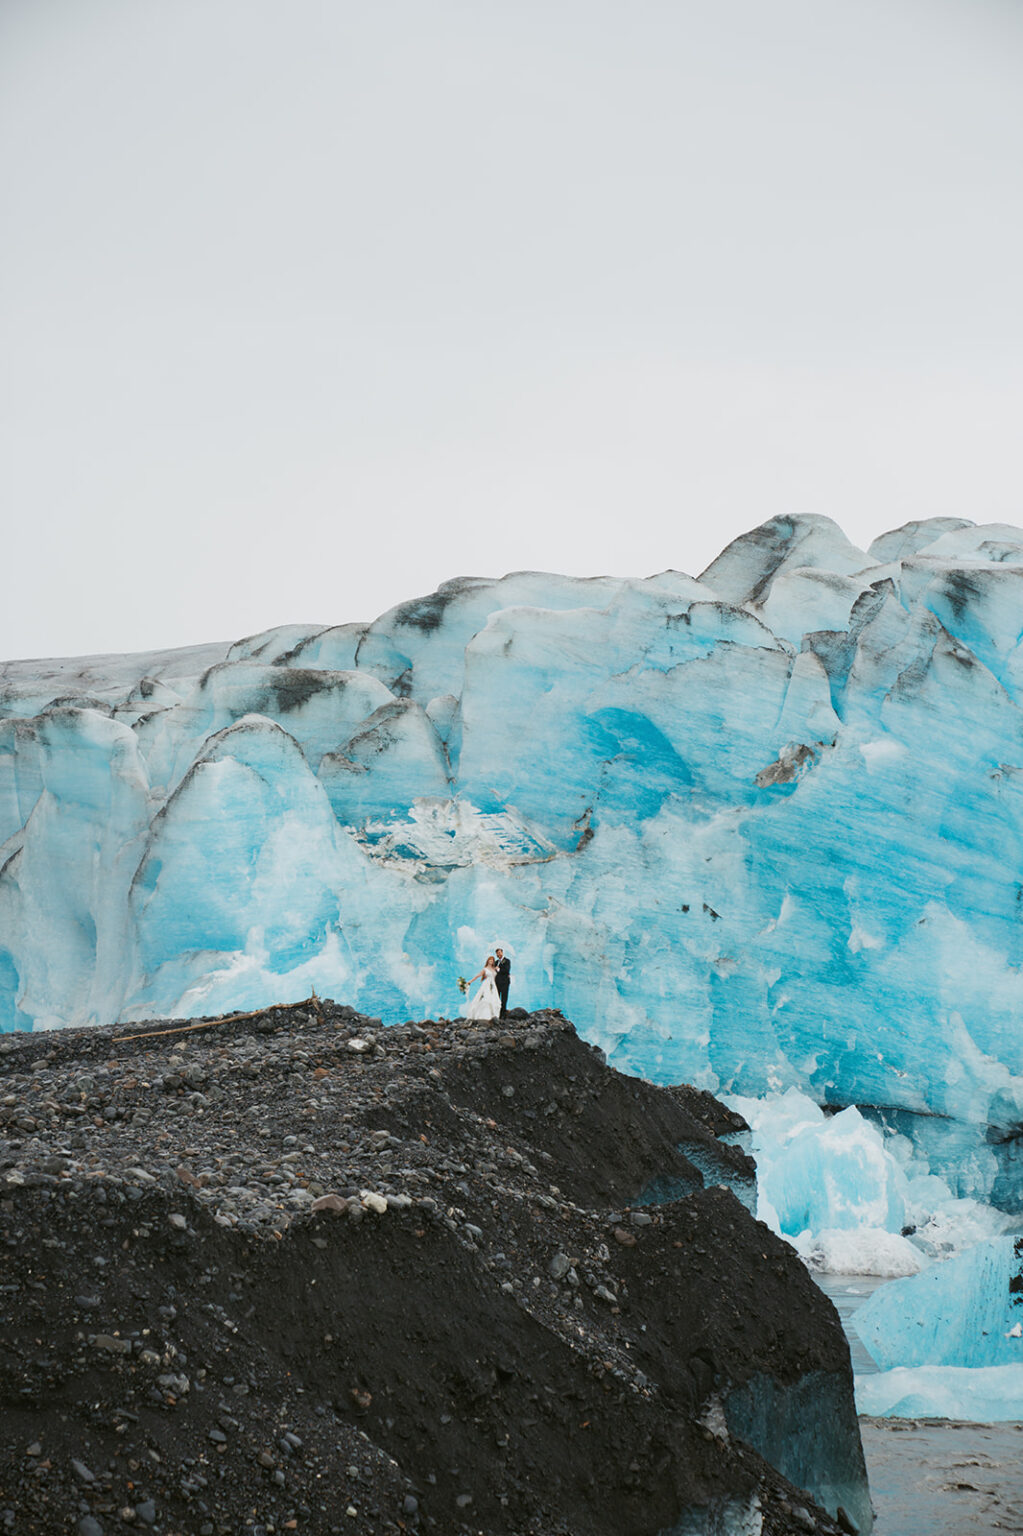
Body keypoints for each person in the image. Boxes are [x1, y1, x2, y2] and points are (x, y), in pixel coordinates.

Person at [464, 955, 501, 1022]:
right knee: (486, 999)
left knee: (494, 999)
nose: (491, 961)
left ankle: (493, 1016)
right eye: (490, 960)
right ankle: (484, 1015)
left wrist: (498, 969)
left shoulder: (494, 969)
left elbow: (498, 976)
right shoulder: (485, 969)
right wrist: (470, 981)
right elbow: (478, 976)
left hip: (493, 985)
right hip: (486, 984)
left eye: (492, 960)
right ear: (488, 961)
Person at [494, 947, 511, 1017]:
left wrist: (499, 969)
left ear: (502, 952)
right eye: (497, 953)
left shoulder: (507, 961)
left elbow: (507, 970)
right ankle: (497, 1012)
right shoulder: (496, 962)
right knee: (497, 998)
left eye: (500, 952)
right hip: (497, 982)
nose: (499, 954)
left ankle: (503, 1013)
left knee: (504, 998)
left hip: (504, 982)